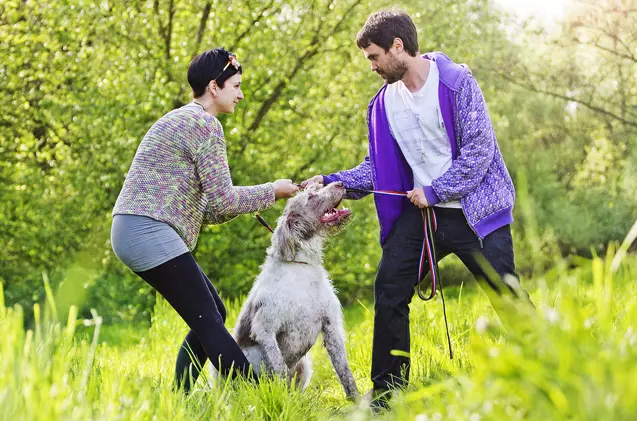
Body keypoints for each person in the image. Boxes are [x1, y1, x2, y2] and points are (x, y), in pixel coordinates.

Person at [303, 9, 533, 409]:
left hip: (474, 210)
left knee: (504, 290)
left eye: (374, 57)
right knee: (390, 288)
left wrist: (436, 188)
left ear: (398, 46)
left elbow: (480, 151)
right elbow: (378, 167)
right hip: (422, 215)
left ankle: (545, 365)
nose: (372, 66)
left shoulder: (457, 83)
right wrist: (332, 183)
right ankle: (388, 395)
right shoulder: (383, 105)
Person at [111, 48, 299, 393]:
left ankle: (180, 398)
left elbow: (210, 209)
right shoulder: (204, 123)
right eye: (236, 86)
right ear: (214, 86)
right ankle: (259, 395)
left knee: (211, 310)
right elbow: (224, 199)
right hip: (146, 228)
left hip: (138, 228)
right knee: (209, 320)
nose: (241, 95)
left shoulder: (183, 119)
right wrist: (272, 190)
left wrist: (258, 200)